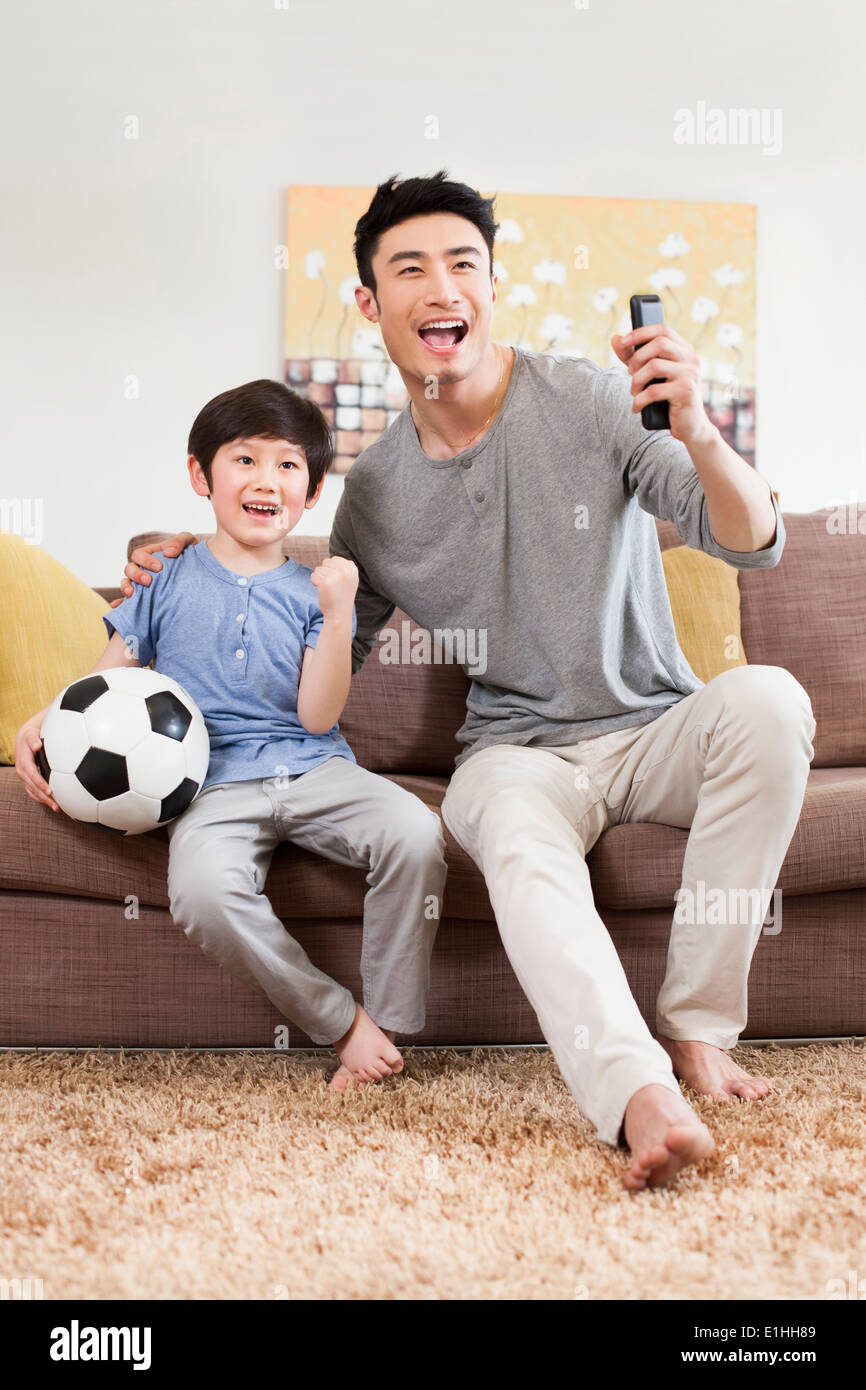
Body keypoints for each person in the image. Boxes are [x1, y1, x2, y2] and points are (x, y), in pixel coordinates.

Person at [114, 173, 816, 1191]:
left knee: (770, 701)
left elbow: (748, 541)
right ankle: (636, 1096)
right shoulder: (375, 500)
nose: (440, 287)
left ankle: (698, 1028)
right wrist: (198, 561)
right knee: (516, 840)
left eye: (461, 264)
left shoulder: (582, 396)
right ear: (370, 306)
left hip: (654, 724)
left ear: (491, 287)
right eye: (409, 269)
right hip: (513, 757)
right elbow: (314, 673)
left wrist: (698, 429)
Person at [15, 378, 447, 1092]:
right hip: (213, 782)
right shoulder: (162, 576)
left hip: (314, 768)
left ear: (310, 495)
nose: (265, 480)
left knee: (415, 832)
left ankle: (390, 1026)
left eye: (287, 466)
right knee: (204, 889)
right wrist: (47, 717)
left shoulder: (316, 592)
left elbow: (316, 716)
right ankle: (342, 1023)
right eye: (244, 460)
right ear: (200, 475)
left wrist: (338, 616)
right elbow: (106, 688)